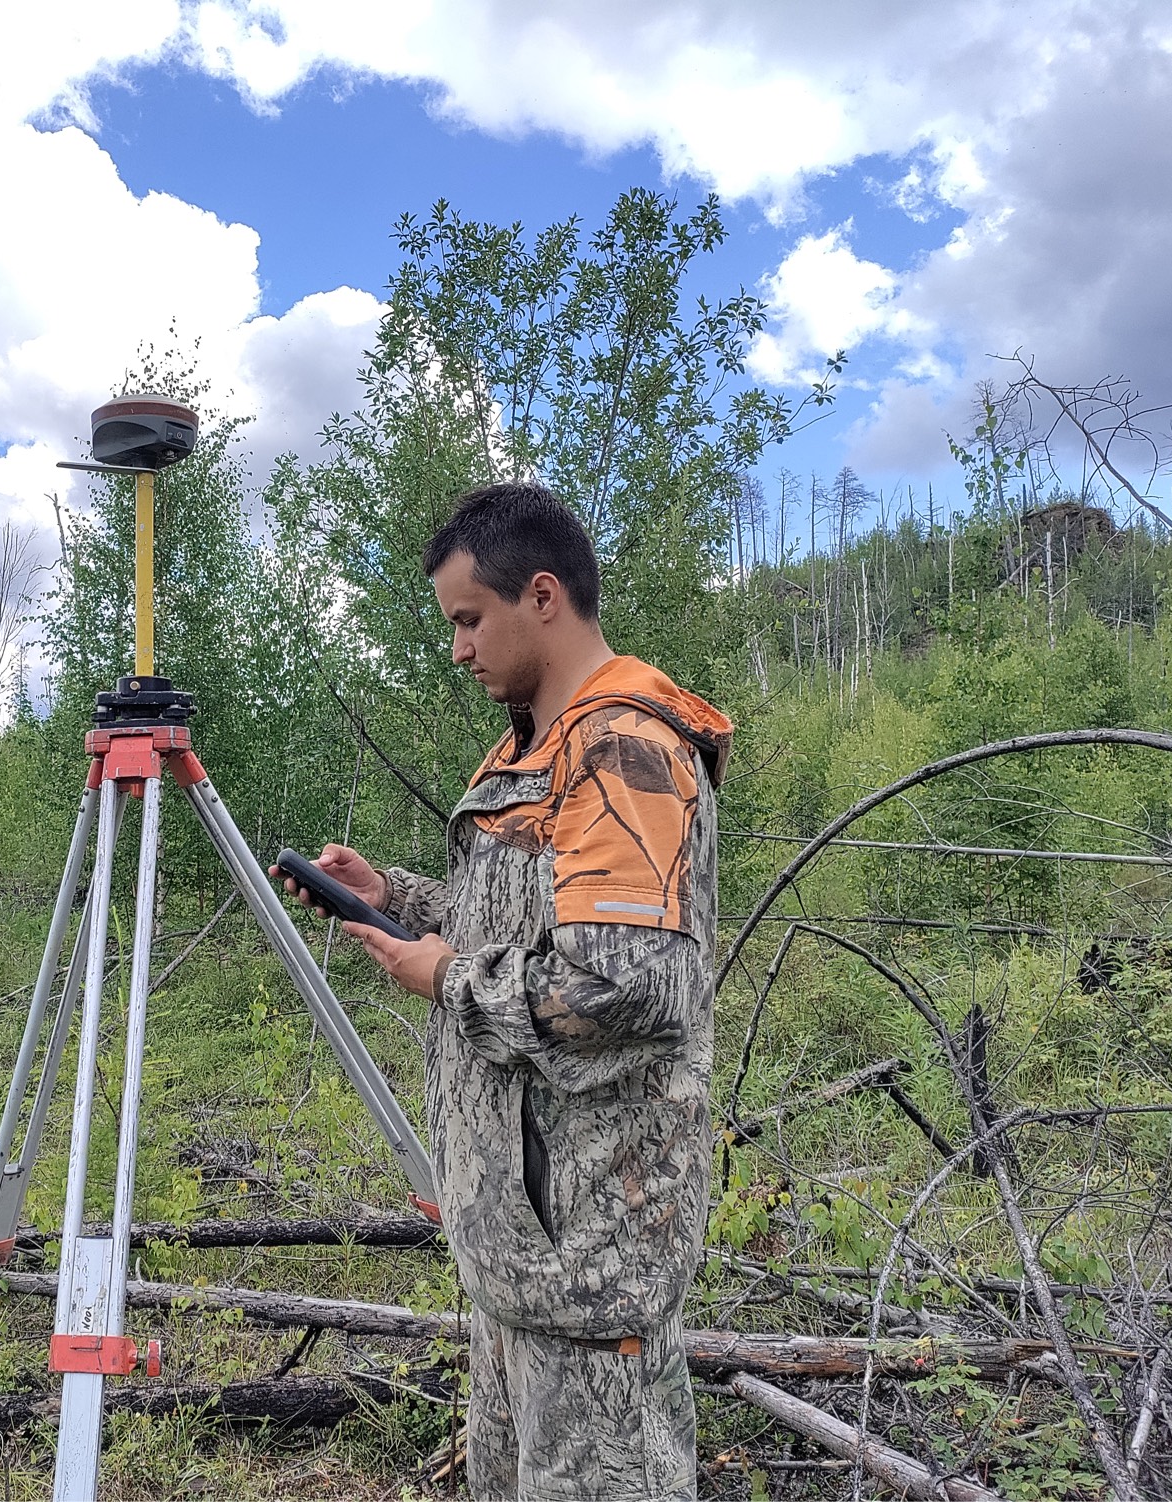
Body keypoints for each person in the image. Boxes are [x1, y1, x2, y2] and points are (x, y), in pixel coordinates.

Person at [274, 481, 730, 1501]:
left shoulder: (621, 748)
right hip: (519, 1253)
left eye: (467, 620)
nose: (457, 647)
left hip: (586, 1251)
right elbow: (528, 919)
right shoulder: (537, 745)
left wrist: (442, 976)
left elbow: (627, 985)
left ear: (540, 596)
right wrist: (391, 895)